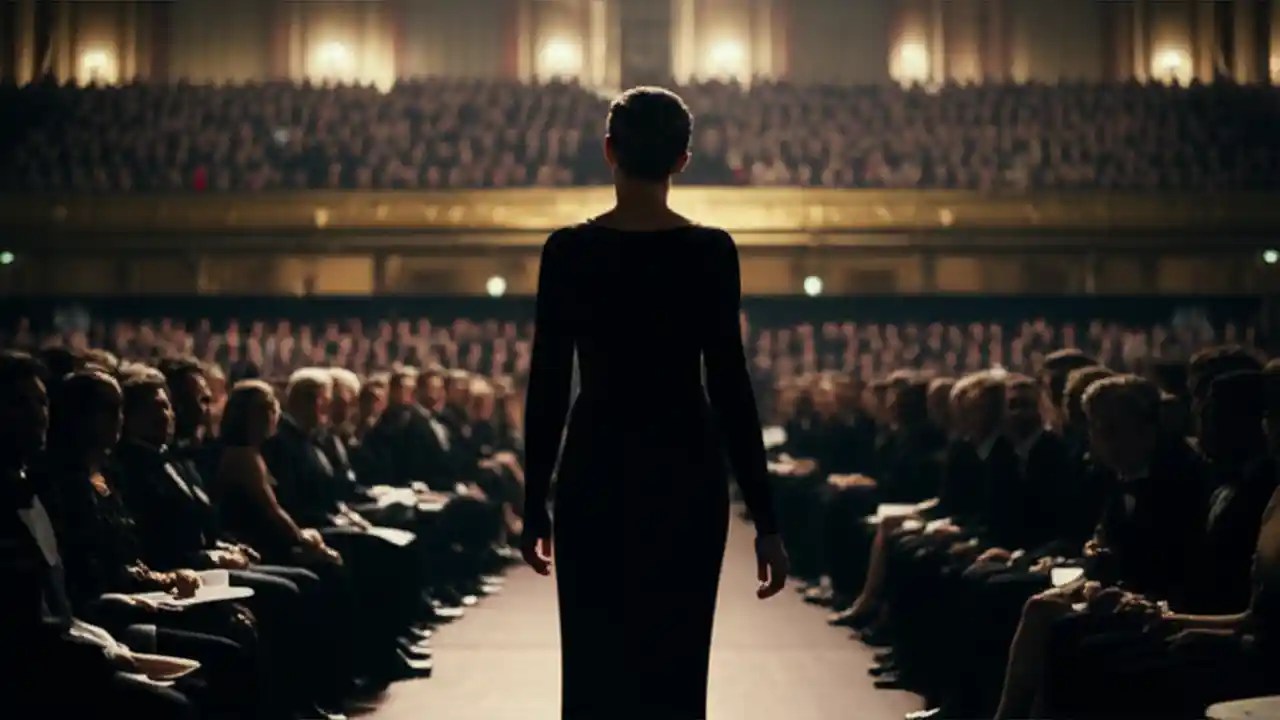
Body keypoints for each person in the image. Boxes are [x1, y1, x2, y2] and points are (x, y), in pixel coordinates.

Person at [520, 86, 789, 720]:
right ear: (683, 159)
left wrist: (535, 504)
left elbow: (550, 384)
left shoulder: (568, 251)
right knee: (677, 665)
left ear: (608, 150)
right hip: (685, 470)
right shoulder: (711, 251)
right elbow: (730, 388)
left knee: (592, 666)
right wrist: (767, 521)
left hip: (596, 467)